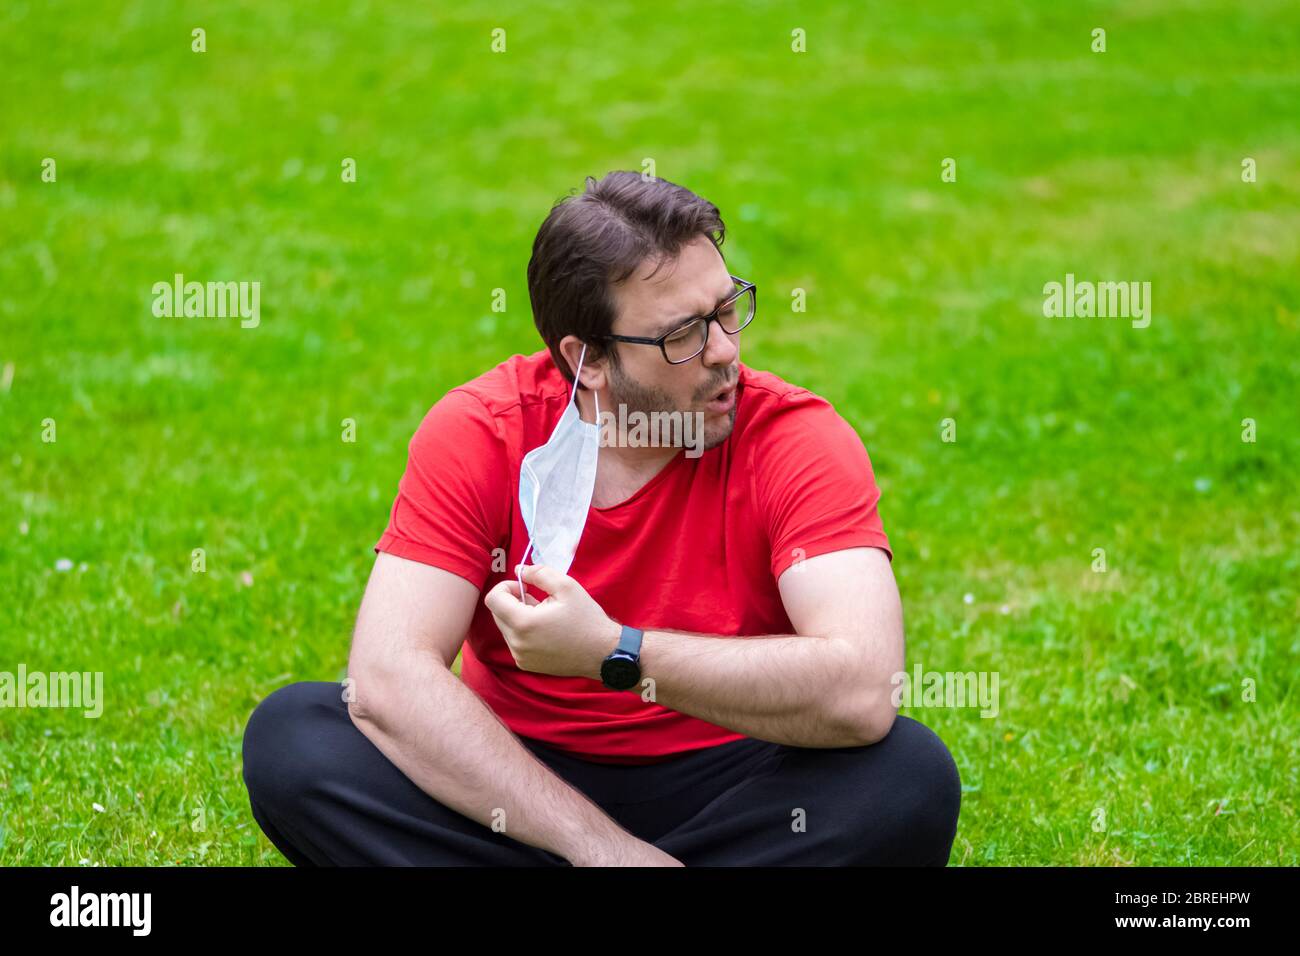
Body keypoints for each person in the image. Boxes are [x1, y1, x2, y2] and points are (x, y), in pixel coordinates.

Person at [242, 170, 961, 866]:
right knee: (295, 739)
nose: (725, 352)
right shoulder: (483, 429)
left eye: (726, 309)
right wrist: (603, 851)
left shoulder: (794, 437)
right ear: (585, 362)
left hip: (735, 773)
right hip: (516, 784)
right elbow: (389, 674)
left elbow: (864, 689)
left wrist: (615, 652)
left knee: (905, 777)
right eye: (683, 335)